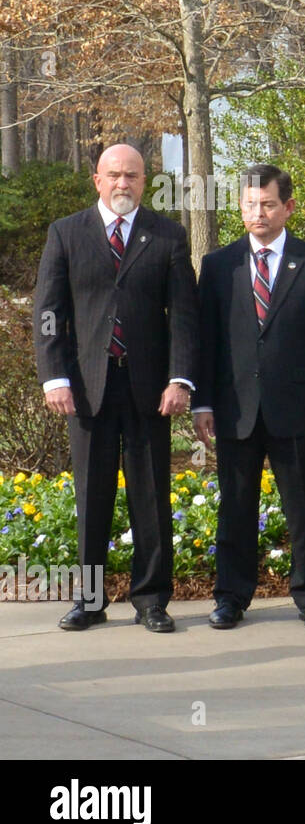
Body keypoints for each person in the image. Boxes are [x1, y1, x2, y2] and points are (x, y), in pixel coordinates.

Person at [34, 143, 199, 633]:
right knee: (92, 496)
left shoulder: (167, 235)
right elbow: (48, 314)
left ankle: (151, 600)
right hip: (87, 389)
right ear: (97, 180)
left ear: (144, 182)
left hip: (150, 390)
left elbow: (185, 316)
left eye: (133, 175)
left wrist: (180, 378)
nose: (123, 183)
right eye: (114, 174)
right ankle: (88, 601)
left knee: (151, 496)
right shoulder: (66, 233)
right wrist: (55, 376)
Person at [194, 164, 305, 630]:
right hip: (236, 409)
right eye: (249, 205)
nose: (258, 213)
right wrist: (202, 404)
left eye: (268, 204)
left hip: (296, 409)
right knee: (236, 509)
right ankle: (231, 598)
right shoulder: (219, 266)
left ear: (288, 207)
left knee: (303, 508)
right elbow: (206, 340)